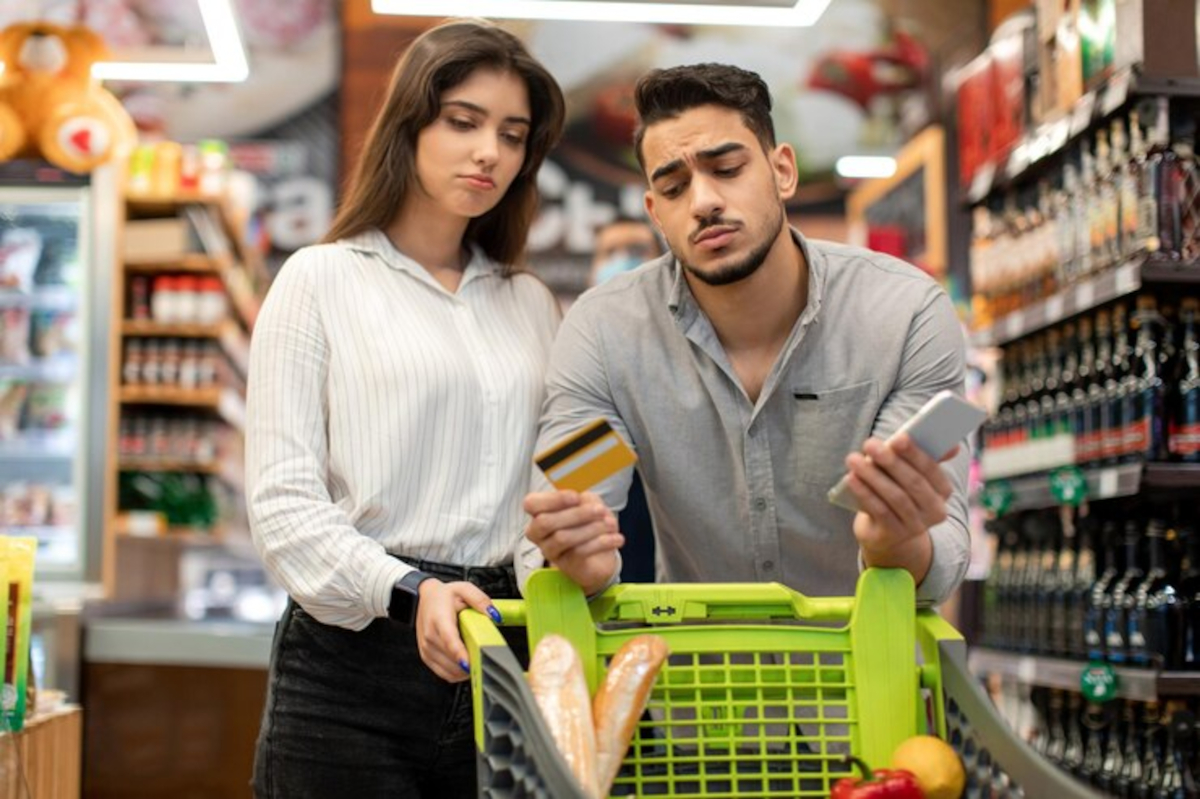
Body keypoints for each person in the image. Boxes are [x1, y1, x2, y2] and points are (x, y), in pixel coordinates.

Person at [245, 20, 565, 799]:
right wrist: (408, 589)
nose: (489, 150)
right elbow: (284, 503)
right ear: (408, 125)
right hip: (352, 667)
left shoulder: (531, 302)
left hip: (503, 653)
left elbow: (548, 494)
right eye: (462, 121)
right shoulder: (318, 280)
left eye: (512, 134)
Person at [521, 63, 970, 607]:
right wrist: (576, 562)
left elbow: (943, 553)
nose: (703, 201)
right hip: (695, 678)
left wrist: (897, 541)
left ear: (783, 171)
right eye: (674, 186)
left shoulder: (902, 314)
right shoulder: (607, 333)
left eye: (727, 169)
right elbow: (572, 503)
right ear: (655, 213)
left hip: (868, 670)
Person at [589, 215, 663, 582]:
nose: (622, 260)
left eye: (635, 251)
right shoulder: (580, 357)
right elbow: (579, 486)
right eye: (609, 252)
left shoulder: (691, 351)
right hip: (605, 568)